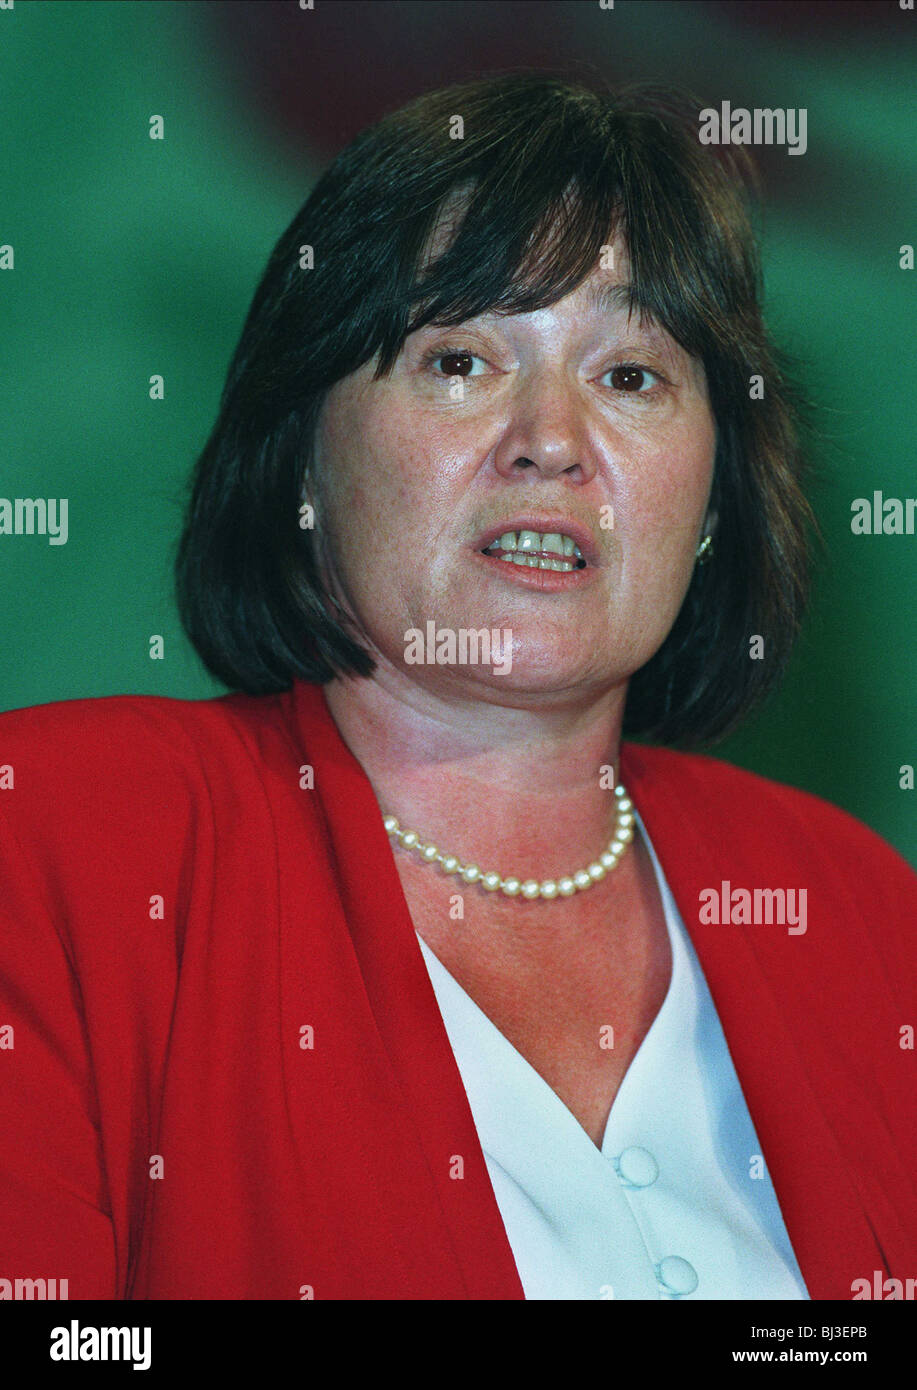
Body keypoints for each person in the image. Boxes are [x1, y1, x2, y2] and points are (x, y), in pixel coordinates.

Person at [1, 74, 914, 1303]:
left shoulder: (852, 908)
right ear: (300, 458)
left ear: (713, 502)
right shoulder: (57, 843)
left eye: (632, 376)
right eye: (460, 358)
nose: (551, 436)